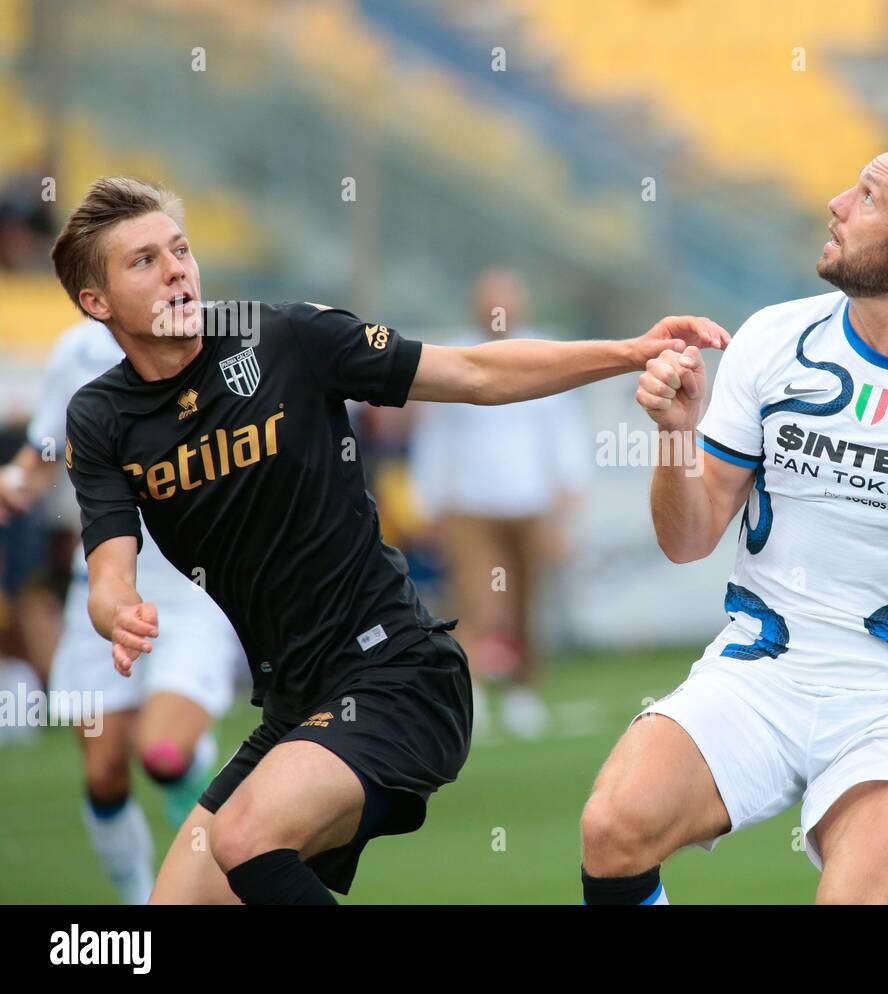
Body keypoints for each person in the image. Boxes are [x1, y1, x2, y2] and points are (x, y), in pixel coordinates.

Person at [53, 176, 728, 904]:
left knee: (245, 834)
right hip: (294, 704)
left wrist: (630, 351)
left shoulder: (282, 335)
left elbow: (472, 372)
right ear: (97, 301)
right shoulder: (100, 418)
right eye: (144, 261)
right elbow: (110, 570)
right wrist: (117, 612)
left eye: (180, 249)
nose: (177, 268)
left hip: (396, 674)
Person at [580, 130, 888, 905]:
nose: (834, 205)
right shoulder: (772, 338)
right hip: (760, 668)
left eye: (866, 196)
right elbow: (688, 538)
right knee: (612, 828)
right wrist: (676, 435)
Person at [0, 316, 244, 903]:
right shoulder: (78, 353)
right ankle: (138, 900)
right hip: (103, 592)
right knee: (105, 772)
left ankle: (205, 844)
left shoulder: (221, 337)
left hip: (194, 594)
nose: (168, 273)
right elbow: (44, 448)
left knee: (162, 752)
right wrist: (15, 482)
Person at [409, 269, 590, 739]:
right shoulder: (454, 355)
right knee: (472, 603)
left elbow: (564, 434)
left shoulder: (545, 353)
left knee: (529, 601)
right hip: (469, 504)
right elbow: (435, 437)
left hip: (531, 502)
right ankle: (471, 694)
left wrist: (567, 500)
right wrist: (429, 502)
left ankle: (522, 692)